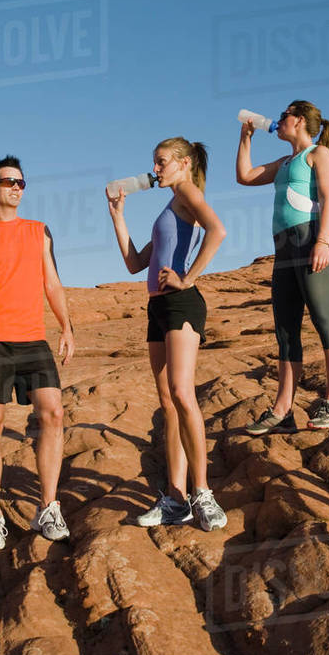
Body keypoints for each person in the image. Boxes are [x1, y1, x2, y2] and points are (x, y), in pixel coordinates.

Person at [0, 157, 75, 552]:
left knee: (53, 412)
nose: (17, 188)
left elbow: (52, 283)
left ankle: (48, 507)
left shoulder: (38, 232)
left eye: (21, 182)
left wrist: (66, 326)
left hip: (31, 338)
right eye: (9, 182)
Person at [107, 138, 228, 531]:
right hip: (157, 307)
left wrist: (188, 277)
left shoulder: (187, 191)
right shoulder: (168, 204)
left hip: (182, 304)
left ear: (183, 163)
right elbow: (134, 263)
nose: (155, 169)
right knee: (168, 401)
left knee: (181, 392)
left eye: (161, 162)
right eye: (154, 163)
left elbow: (218, 231)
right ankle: (175, 498)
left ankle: (202, 492)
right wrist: (118, 215)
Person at [236, 101, 329, 434]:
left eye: (284, 115)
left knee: (324, 318)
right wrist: (246, 138)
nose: (279, 120)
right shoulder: (285, 162)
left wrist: (322, 241)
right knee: (286, 329)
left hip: (311, 239)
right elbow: (244, 176)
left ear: (298, 120)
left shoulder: (319, 154)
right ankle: (283, 410)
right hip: (284, 248)